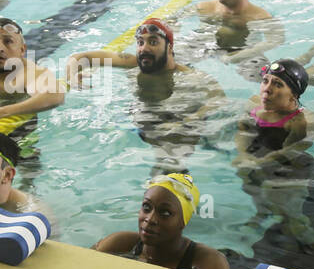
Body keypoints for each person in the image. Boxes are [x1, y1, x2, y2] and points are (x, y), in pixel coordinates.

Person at [66, 18, 226, 171]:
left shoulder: (192, 77)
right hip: (142, 120)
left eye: (153, 42)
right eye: (140, 42)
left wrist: (189, 120)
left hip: (179, 124)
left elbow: (219, 100)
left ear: (169, 48)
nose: (144, 48)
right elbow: (79, 57)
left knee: (174, 143)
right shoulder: (132, 63)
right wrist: (72, 76)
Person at [234, 60, 314, 245]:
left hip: (291, 166)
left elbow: (290, 151)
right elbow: (242, 132)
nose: (267, 89)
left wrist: (259, 163)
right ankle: (261, 214)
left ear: (293, 98)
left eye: (277, 84)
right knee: (252, 185)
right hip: (260, 155)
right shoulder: (254, 104)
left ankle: (299, 225)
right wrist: (243, 155)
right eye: (265, 81)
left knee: (285, 204)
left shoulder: (300, 122)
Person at [95, 173, 230, 269]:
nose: (150, 219)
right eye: (146, 207)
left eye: (165, 213)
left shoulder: (208, 263)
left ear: (183, 221)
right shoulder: (119, 244)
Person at [195, 0, 284, 68]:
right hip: (204, 48)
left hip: (242, 54)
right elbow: (174, 19)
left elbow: (276, 40)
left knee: (272, 74)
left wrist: (238, 56)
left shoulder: (259, 17)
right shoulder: (205, 8)